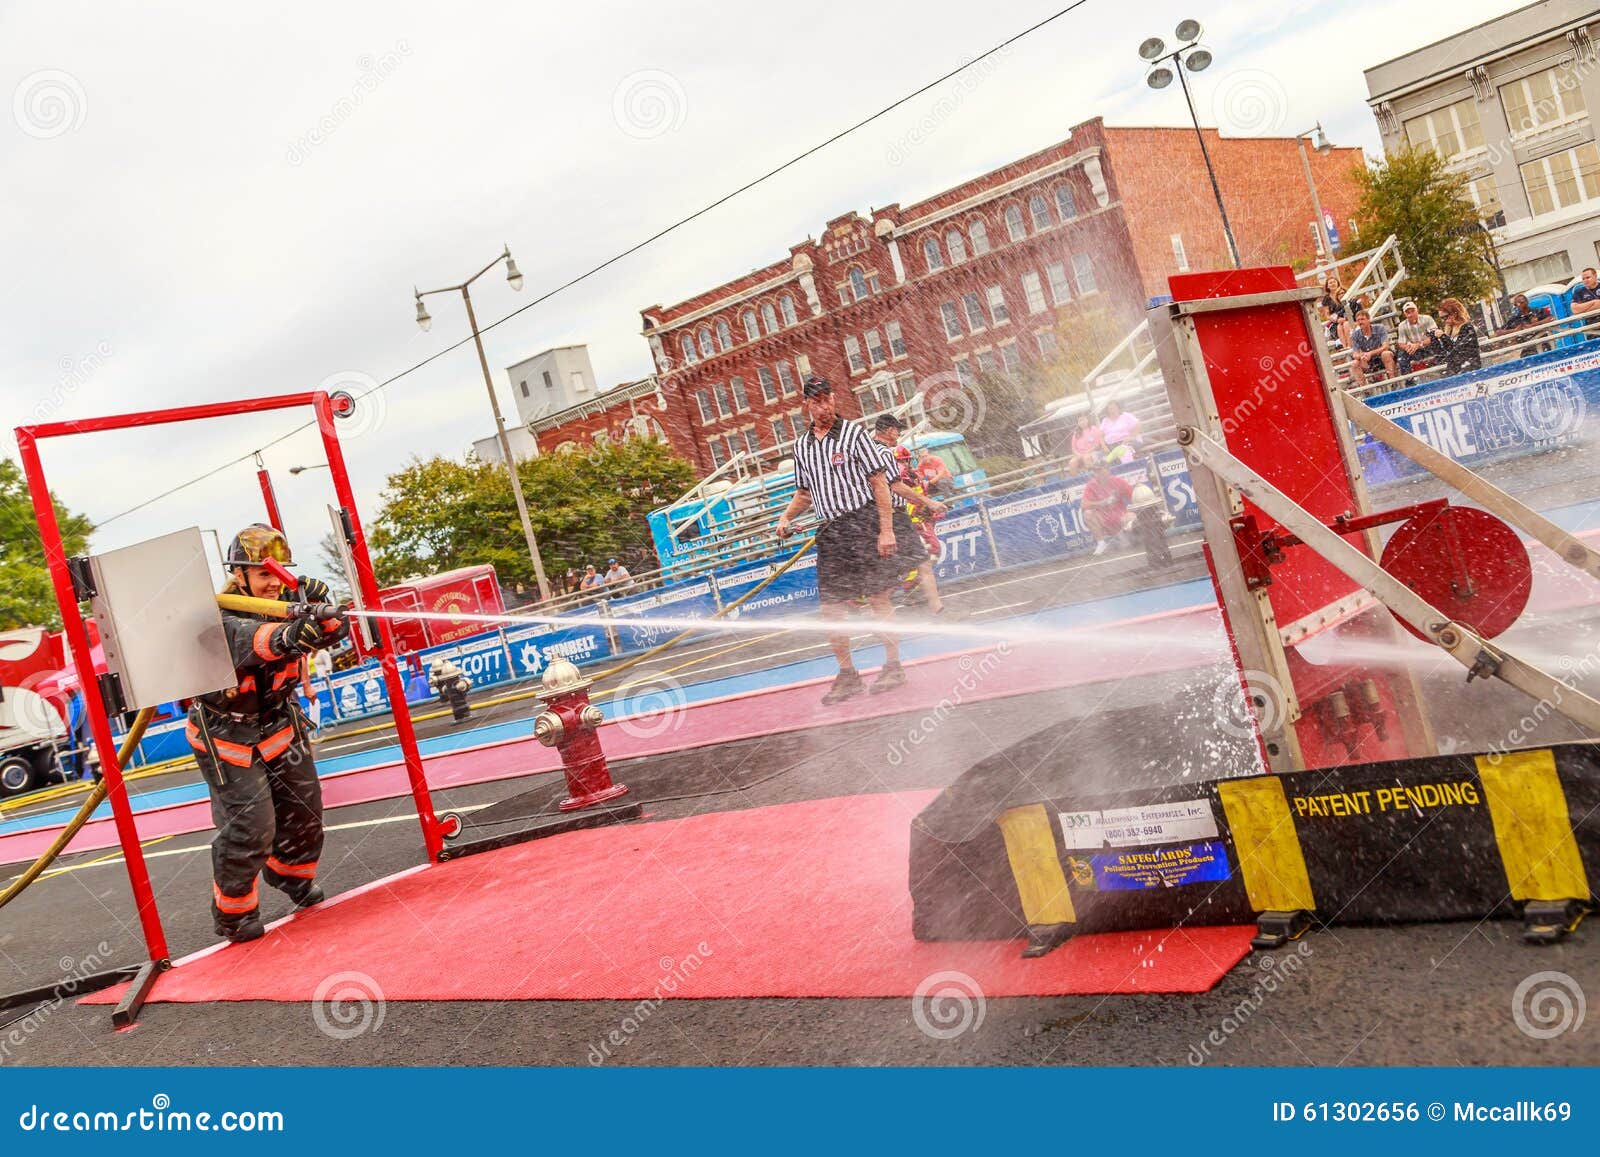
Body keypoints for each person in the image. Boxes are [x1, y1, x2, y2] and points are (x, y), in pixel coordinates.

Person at [190, 524, 348, 943]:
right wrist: (292, 633)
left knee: (306, 813)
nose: (274, 583)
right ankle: (234, 914)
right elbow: (257, 642)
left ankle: (290, 876)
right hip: (227, 736)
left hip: (279, 724)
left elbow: (337, 632)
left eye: (280, 573)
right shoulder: (218, 619)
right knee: (252, 827)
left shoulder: (290, 603)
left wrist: (324, 609)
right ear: (239, 575)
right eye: (264, 574)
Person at [776, 376, 927, 703]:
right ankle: (848, 675)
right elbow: (804, 493)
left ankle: (894, 666)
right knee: (830, 609)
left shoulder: (854, 434)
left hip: (863, 523)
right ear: (807, 404)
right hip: (830, 532)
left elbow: (880, 483)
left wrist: (886, 529)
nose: (823, 406)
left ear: (834, 398)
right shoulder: (801, 446)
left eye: (826, 398)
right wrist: (786, 517)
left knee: (878, 598)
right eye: (816, 401)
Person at [871, 415, 949, 615]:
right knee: (920, 563)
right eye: (897, 430)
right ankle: (936, 609)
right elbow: (896, 486)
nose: (898, 434)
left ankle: (934, 607)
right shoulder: (883, 453)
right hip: (894, 516)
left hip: (881, 517)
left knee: (904, 568)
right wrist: (929, 502)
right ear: (889, 430)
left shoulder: (869, 452)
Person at [1082, 463, 1135, 556]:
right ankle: (1101, 543)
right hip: (1103, 520)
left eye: (1100, 470)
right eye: (1096, 471)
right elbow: (1084, 505)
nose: (1098, 473)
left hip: (1120, 517)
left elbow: (1134, 496)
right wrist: (1102, 502)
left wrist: (1131, 511)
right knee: (1087, 514)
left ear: (1108, 470)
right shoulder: (1091, 485)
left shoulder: (1118, 481)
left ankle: (1126, 536)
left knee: (1132, 516)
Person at [1348, 310, 1398, 387]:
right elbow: (1355, 354)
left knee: (1386, 354)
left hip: (1382, 358)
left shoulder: (1380, 328)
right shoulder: (1355, 335)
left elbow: (1385, 346)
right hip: (1369, 362)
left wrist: (1370, 353)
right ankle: (1365, 390)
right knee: (1355, 363)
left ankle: (1393, 383)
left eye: (1362, 319)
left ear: (1368, 320)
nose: (1360, 322)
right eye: (1358, 320)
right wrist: (1362, 356)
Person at [1435, 297, 1482, 375]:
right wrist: (1435, 340)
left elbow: (1459, 351)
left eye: (1445, 317)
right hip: (1455, 370)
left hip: (1469, 370)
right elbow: (1447, 353)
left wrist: (1443, 337)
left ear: (1454, 313)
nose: (1443, 321)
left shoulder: (1467, 327)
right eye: (1441, 318)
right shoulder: (1449, 330)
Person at [1394, 301, 1440, 375]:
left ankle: (1444, 370)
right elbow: (1401, 343)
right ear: (1405, 314)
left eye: (1413, 311)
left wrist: (1418, 345)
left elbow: (1434, 336)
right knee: (1402, 356)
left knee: (1437, 342)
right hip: (1414, 350)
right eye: (1408, 312)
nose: (1410, 314)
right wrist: (1408, 347)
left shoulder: (1427, 319)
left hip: (1429, 346)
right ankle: (1409, 379)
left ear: (1417, 310)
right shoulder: (1402, 325)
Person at [1500, 293, 1553, 357]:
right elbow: (1499, 332)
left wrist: (1535, 324)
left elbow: (1551, 318)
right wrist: (1514, 330)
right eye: (1517, 304)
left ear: (1527, 302)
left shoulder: (1538, 311)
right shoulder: (1515, 319)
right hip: (1527, 351)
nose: (1520, 305)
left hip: (1544, 346)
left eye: (1521, 302)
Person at [1098, 399, 1142, 463]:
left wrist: (1132, 436)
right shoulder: (1105, 420)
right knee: (1101, 454)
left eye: (1114, 408)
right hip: (1112, 445)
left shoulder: (1125, 415)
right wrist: (1104, 446)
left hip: (1128, 442)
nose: (1113, 410)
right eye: (1110, 409)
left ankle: (1108, 459)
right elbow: (1100, 435)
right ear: (1107, 410)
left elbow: (1138, 424)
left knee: (1123, 450)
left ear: (1118, 408)